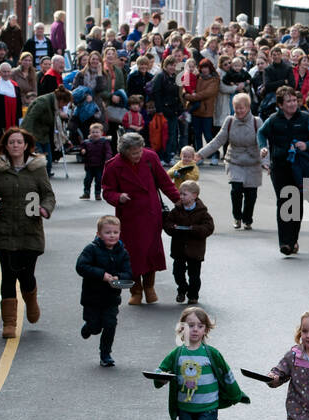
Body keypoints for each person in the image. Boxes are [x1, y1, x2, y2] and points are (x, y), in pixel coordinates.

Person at [154, 307, 249, 420]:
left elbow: (226, 374)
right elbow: (160, 371)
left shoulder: (211, 354)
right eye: (190, 325)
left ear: (205, 329)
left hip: (208, 406)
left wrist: (236, 394)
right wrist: (160, 378)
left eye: (200, 325)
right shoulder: (177, 354)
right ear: (182, 328)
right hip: (185, 407)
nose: (195, 329)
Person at [0, 127, 56, 338]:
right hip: (3, 231)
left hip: (29, 232)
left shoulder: (37, 168)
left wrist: (45, 209)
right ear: (5, 146)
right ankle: (10, 324)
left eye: (19, 142)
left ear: (26, 145)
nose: (15, 145)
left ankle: (31, 299)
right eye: (11, 142)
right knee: (7, 276)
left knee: (26, 275)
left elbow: (49, 195)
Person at [101, 132, 180, 304]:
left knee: (151, 252)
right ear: (124, 151)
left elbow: (165, 181)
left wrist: (178, 200)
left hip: (151, 214)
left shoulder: (150, 157)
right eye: (134, 153)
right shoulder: (114, 165)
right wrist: (118, 197)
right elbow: (107, 191)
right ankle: (135, 291)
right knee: (132, 255)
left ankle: (149, 287)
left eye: (139, 151)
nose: (138, 155)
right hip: (130, 217)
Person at [256, 87, 309, 257]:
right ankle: (285, 243)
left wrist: (306, 145)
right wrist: (263, 148)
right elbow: (261, 133)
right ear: (280, 104)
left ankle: (293, 239)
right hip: (279, 166)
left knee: (297, 202)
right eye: (289, 101)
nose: (293, 104)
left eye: (295, 100)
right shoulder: (273, 119)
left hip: (300, 166)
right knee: (284, 201)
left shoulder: (305, 118)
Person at [75, 215, 133, 368]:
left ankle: (105, 354)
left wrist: (118, 278)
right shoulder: (91, 249)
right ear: (99, 234)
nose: (112, 235)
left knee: (110, 324)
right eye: (108, 232)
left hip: (111, 299)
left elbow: (128, 274)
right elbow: (81, 267)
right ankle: (88, 327)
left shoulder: (122, 252)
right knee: (95, 327)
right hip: (92, 298)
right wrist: (101, 275)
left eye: (115, 232)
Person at [162, 181, 214, 304]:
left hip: (195, 250)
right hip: (179, 248)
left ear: (194, 195)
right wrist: (173, 227)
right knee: (177, 272)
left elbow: (209, 228)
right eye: (180, 194)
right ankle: (182, 288)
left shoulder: (202, 212)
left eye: (184, 194)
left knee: (194, 275)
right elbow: (167, 224)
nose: (181, 197)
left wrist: (194, 229)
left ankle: (193, 295)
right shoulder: (176, 210)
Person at [79, 122, 115, 200]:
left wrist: (108, 159)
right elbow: (81, 149)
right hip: (89, 165)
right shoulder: (86, 142)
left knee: (99, 180)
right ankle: (86, 192)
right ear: (90, 133)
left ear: (101, 133)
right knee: (87, 179)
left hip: (100, 165)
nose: (95, 134)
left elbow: (108, 151)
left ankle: (97, 193)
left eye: (97, 132)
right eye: (93, 132)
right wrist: (82, 151)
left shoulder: (104, 142)